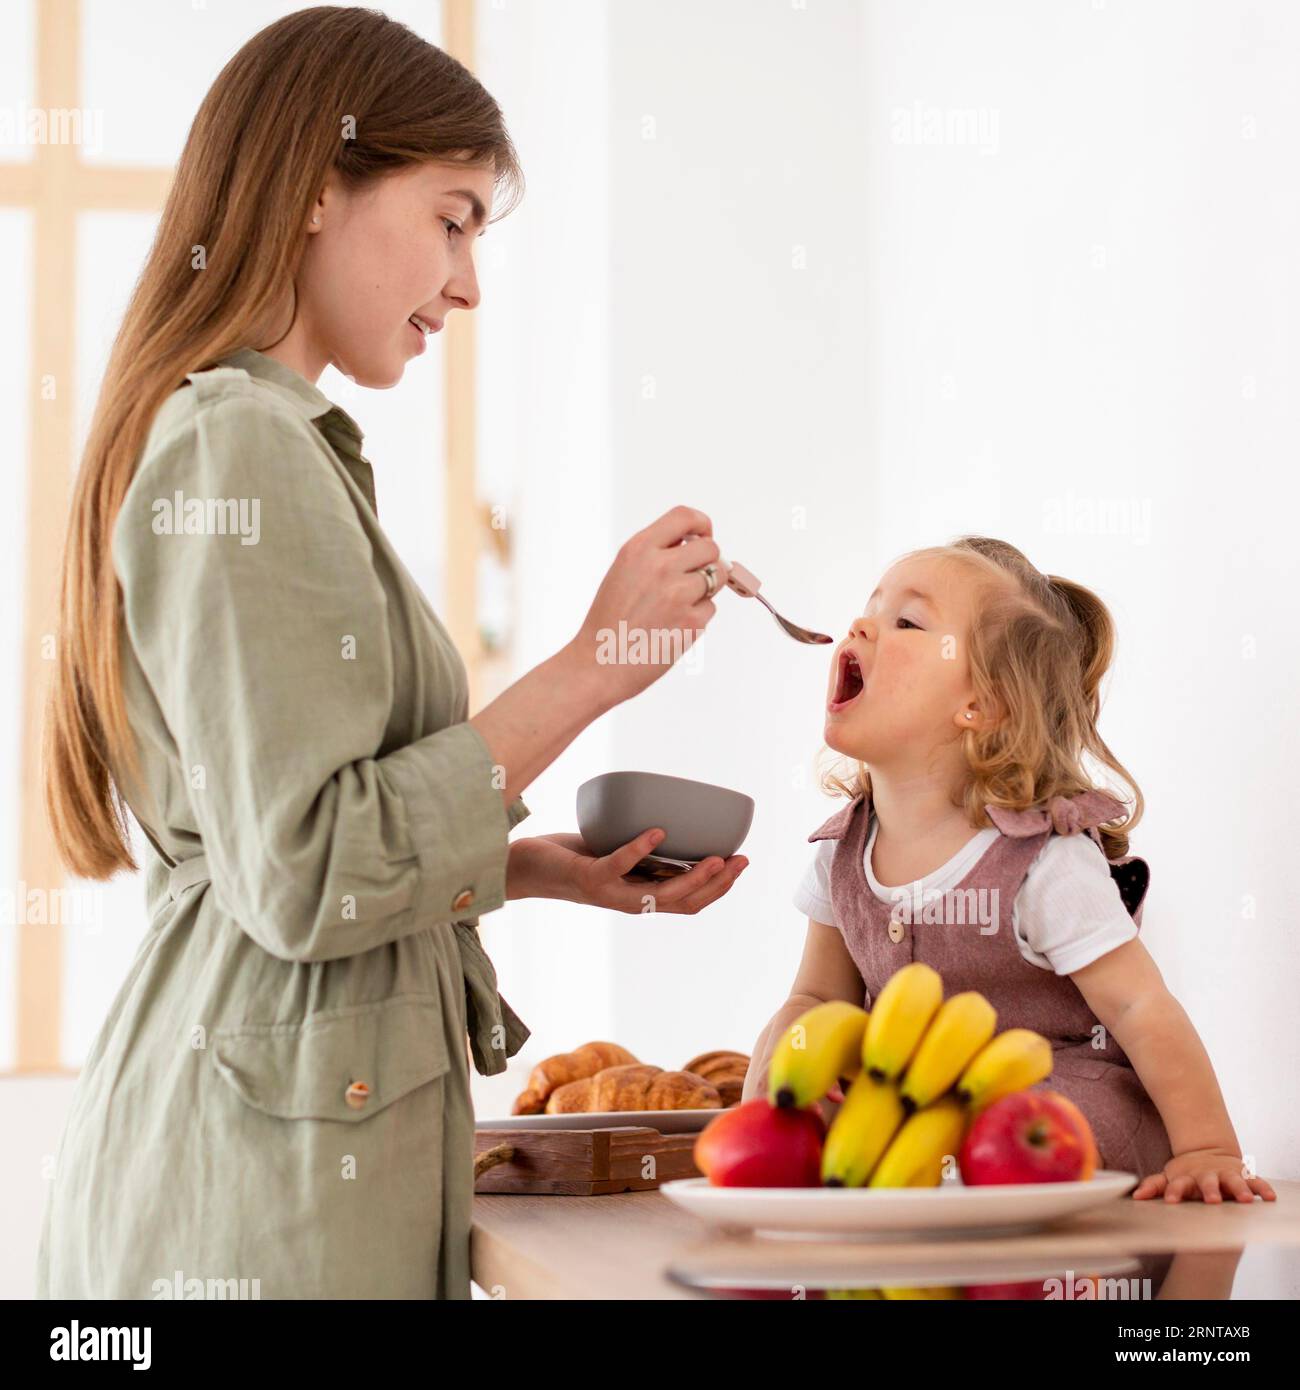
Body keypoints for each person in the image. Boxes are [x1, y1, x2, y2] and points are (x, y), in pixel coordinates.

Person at [37, 9, 745, 1299]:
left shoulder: (266, 443)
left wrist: (523, 870)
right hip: (253, 1203)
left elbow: (302, 851)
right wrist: (595, 661)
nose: (468, 284)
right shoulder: (236, 447)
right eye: (454, 218)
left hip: (263, 1166)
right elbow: (309, 871)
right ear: (319, 187)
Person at [744, 536, 1277, 1205]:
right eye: (871, 608)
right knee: (829, 1122)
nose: (861, 625)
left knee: (1042, 1130)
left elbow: (1142, 1007)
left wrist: (1207, 1150)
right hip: (920, 1110)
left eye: (907, 622)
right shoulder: (841, 850)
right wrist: (780, 1067)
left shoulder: (1041, 860)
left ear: (982, 707)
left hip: (1061, 1105)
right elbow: (820, 997)